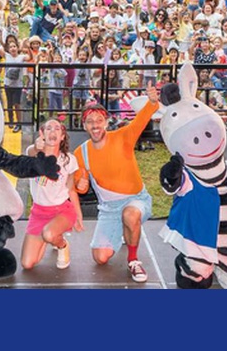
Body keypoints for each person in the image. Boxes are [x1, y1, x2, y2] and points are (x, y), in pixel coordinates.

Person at [72, 83, 160, 283]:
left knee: (130, 215)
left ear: (106, 122)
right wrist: (81, 184)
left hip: (136, 200)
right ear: (84, 125)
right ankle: (125, 229)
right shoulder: (81, 152)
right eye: (90, 122)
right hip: (109, 209)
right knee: (100, 258)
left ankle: (133, 259)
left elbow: (141, 120)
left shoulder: (123, 137)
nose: (95, 125)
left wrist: (152, 102)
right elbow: (80, 186)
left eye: (99, 120)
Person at [20, 118, 84, 270]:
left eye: (57, 128)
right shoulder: (33, 153)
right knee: (27, 264)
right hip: (38, 213)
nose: (53, 131)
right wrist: (37, 146)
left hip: (61, 211)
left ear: (62, 136)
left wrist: (79, 216)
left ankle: (62, 245)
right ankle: (49, 237)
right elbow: (33, 150)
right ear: (42, 133)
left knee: (48, 234)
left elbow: (71, 190)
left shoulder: (69, 160)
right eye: (48, 128)